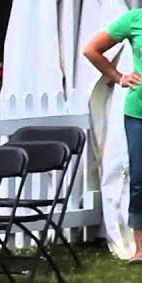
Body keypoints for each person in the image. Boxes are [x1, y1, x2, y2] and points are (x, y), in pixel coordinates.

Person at [85, 10, 142, 262]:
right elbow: (91, 50)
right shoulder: (134, 19)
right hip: (138, 113)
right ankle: (140, 249)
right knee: (140, 180)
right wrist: (119, 77)